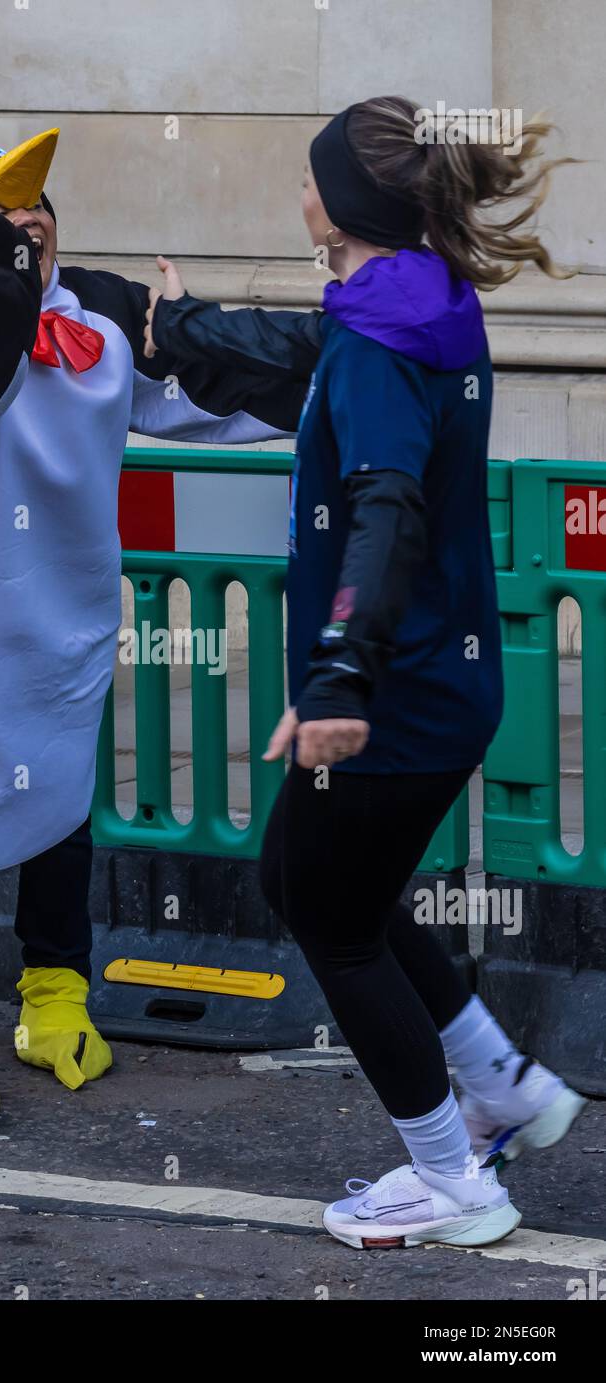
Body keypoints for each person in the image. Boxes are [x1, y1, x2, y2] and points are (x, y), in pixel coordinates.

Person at [144, 97, 585, 1249]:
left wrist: (339, 681)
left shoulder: (387, 336)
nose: (299, 190)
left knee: (327, 914)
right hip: (433, 684)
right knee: (315, 883)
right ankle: (503, 1085)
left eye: (309, 175)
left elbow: (383, 507)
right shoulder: (408, 307)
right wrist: (177, 328)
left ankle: (452, 1180)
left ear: (342, 205)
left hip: (396, 695)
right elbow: (304, 364)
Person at [0, 130, 305, 1130]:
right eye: (2, 215)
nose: (32, 224)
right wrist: (2, 278)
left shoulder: (95, 305)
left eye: (38, 206)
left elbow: (195, 392)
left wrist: (314, 373)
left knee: (59, 805)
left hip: (63, 616)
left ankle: (56, 991)